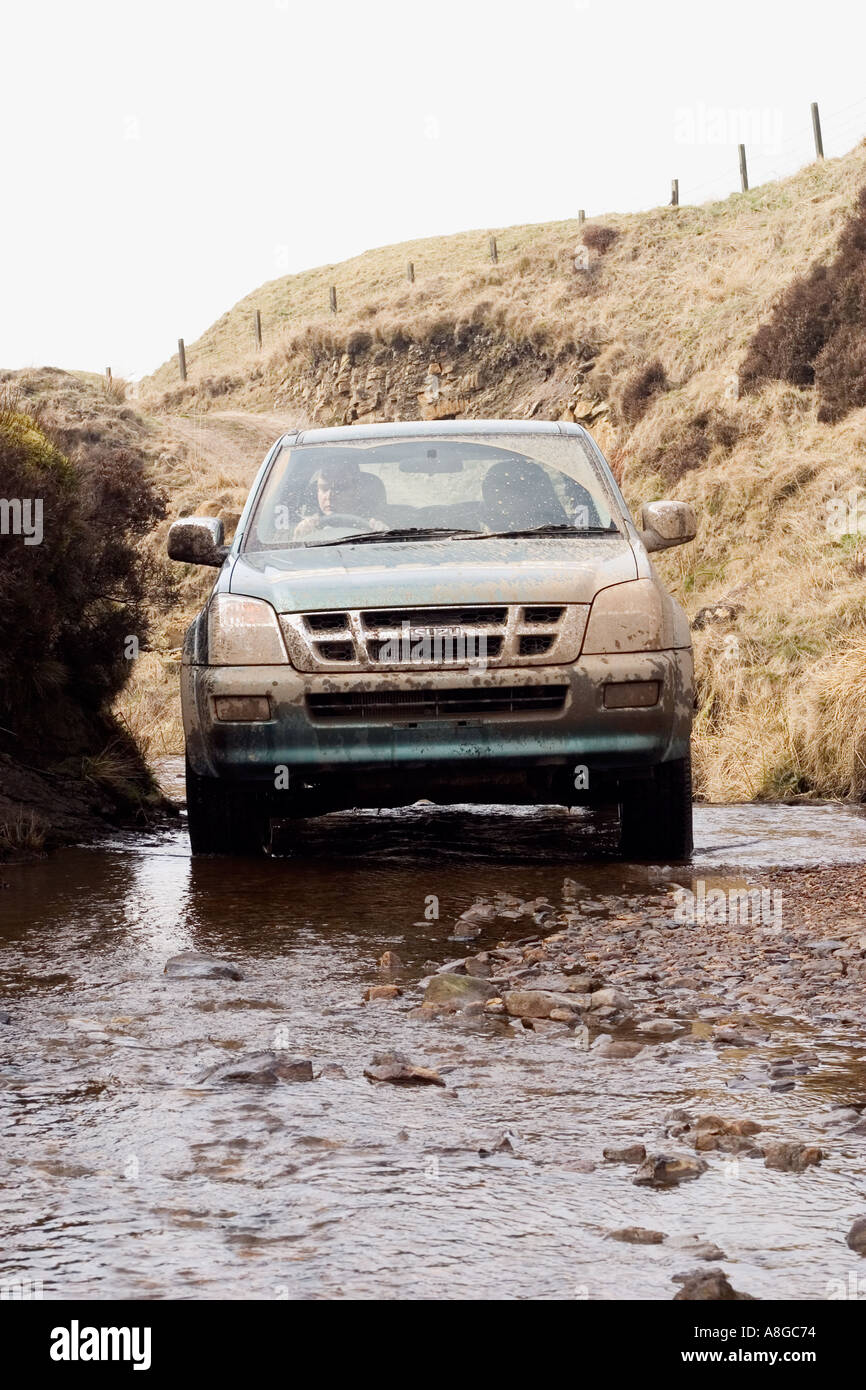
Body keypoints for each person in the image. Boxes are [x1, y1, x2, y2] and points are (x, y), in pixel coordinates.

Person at [294, 459, 387, 538]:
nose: (329, 496)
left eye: (340, 488)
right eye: (324, 489)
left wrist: (384, 536)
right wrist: (299, 537)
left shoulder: (377, 528)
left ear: (357, 492)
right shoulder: (308, 528)